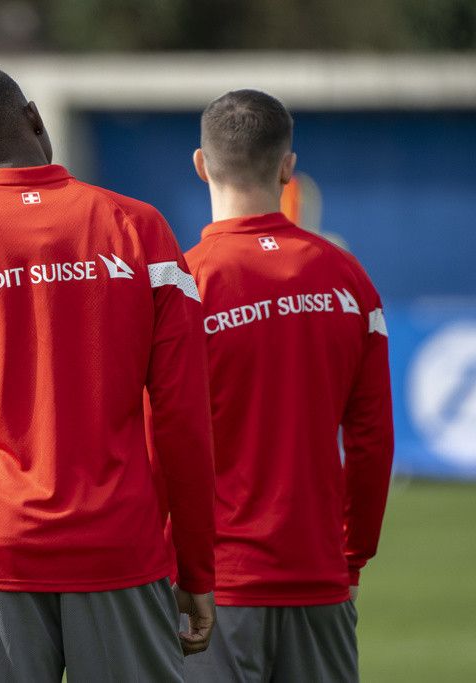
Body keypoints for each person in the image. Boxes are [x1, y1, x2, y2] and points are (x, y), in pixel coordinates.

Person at [0, 63, 217, 682]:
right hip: (120, 550)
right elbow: (183, 417)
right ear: (34, 118)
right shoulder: (140, 227)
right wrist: (196, 569)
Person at [183, 89, 394, 682]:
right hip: (321, 578)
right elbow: (373, 438)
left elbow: (158, 440)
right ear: (287, 167)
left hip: (217, 585)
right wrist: (354, 557)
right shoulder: (348, 277)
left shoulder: (184, 284)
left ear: (201, 165)